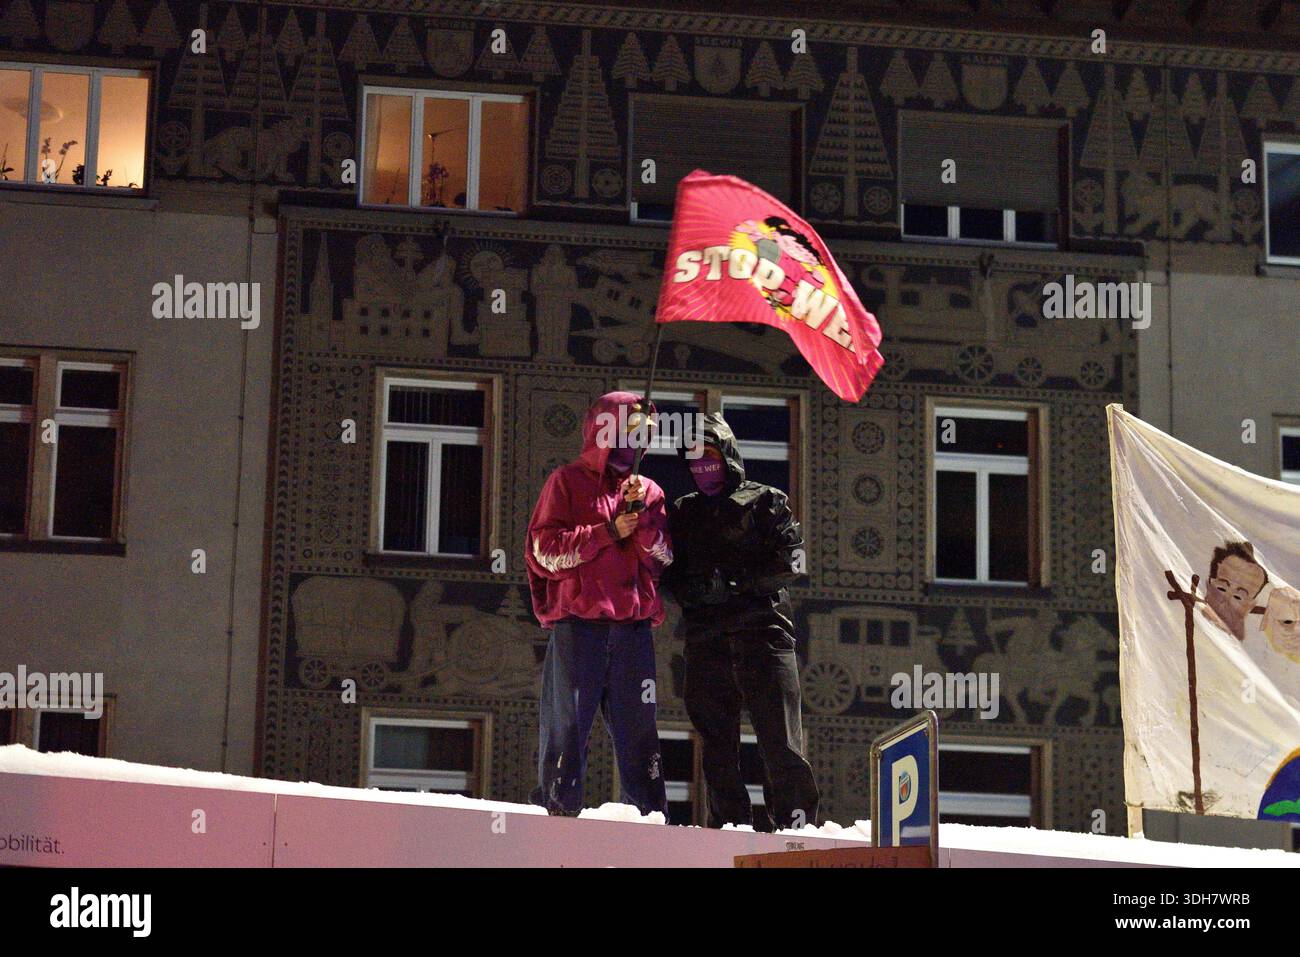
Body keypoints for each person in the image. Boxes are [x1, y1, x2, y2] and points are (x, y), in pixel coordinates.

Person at [662, 411, 820, 830]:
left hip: (762, 633)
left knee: (780, 742)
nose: (701, 466)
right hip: (706, 639)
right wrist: (691, 590)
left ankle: (795, 828)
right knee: (715, 745)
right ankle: (727, 827)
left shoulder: (767, 500)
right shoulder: (683, 512)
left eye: (708, 454)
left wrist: (734, 582)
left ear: (727, 454)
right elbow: (668, 569)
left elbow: (793, 560)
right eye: (693, 458)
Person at [524, 391, 672, 816]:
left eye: (643, 433)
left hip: (633, 632)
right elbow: (543, 551)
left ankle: (648, 819)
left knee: (640, 731)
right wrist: (606, 531)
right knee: (567, 727)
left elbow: (664, 559)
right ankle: (557, 813)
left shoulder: (649, 491)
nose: (635, 442)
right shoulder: (566, 482)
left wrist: (643, 527)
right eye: (627, 431)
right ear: (603, 431)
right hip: (580, 629)